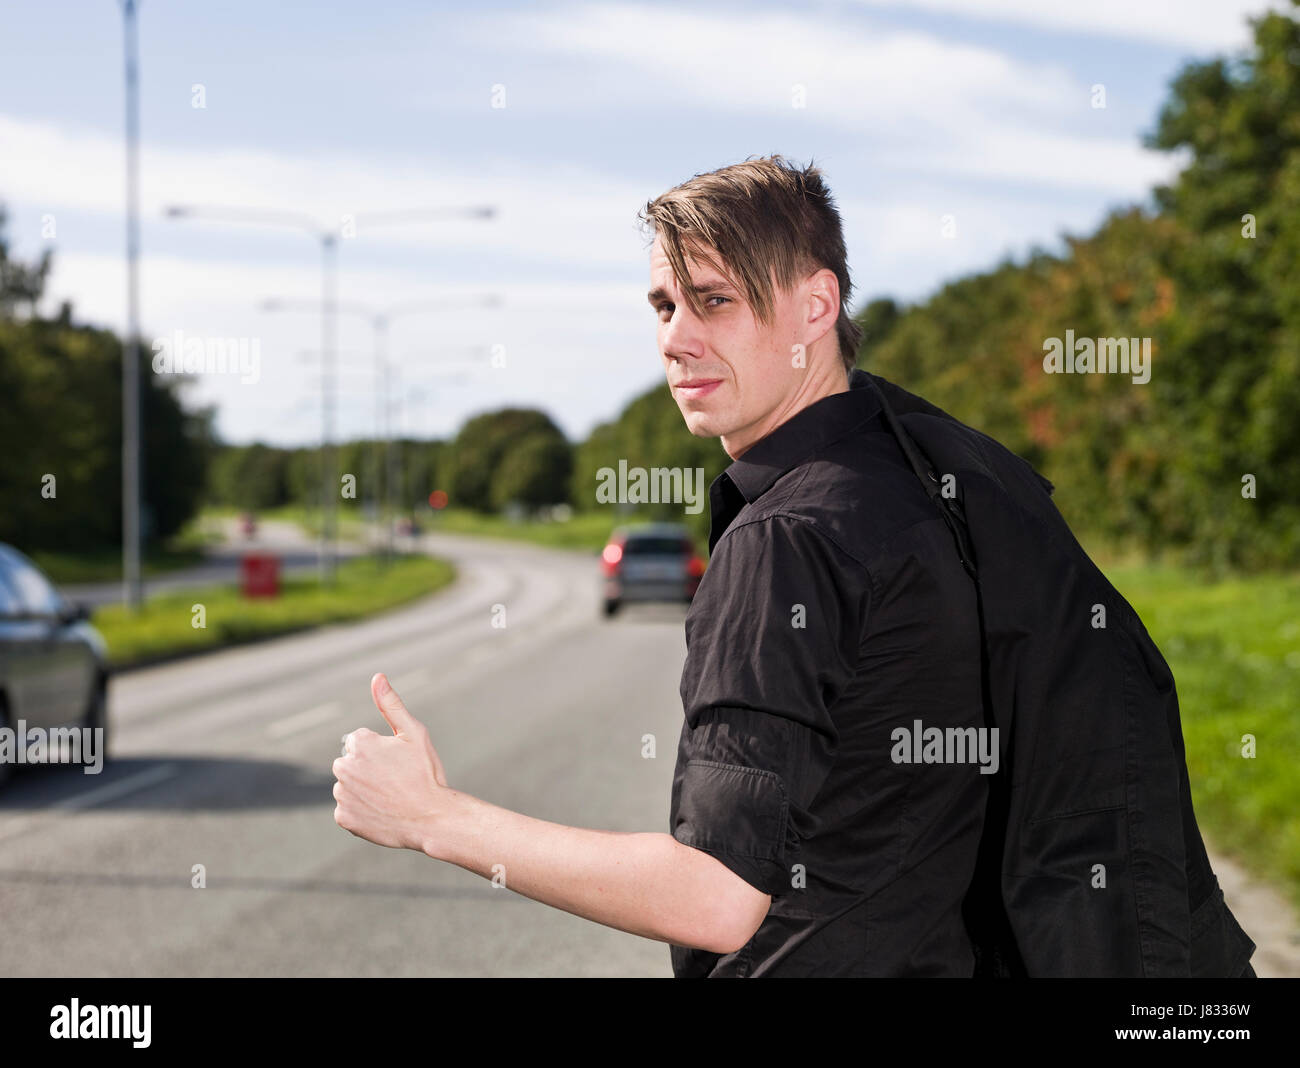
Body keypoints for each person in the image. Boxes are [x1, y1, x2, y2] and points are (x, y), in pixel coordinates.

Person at [331, 154, 1254, 977]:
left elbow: (714, 898)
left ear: (816, 307)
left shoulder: (789, 536)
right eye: (663, 305)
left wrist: (433, 818)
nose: (675, 337)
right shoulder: (939, 481)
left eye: (715, 299)